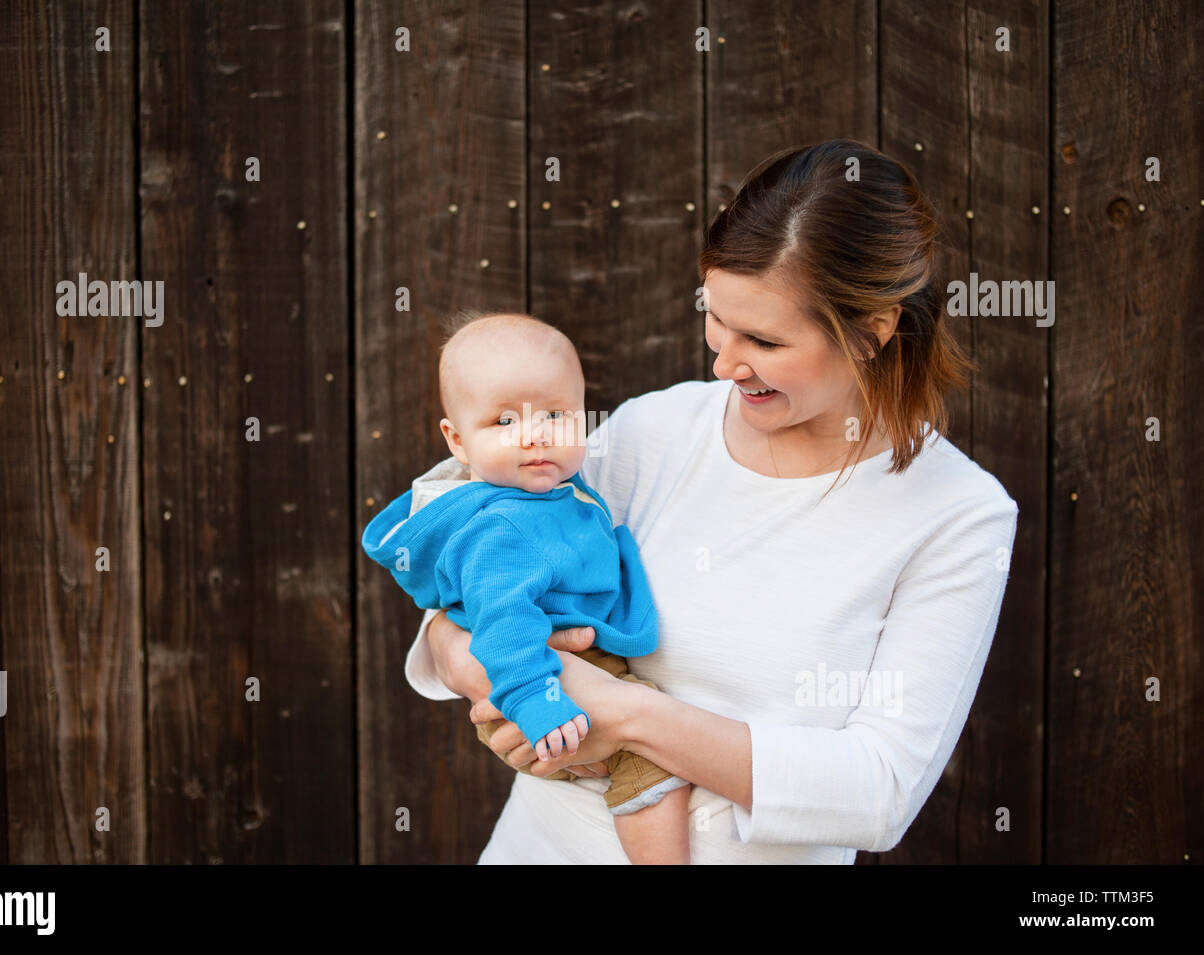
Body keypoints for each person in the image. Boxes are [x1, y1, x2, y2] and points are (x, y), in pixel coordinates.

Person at [405, 139, 1020, 863]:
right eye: (717, 321)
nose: (725, 363)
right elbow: (471, 549)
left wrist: (628, 716)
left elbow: (878, 790)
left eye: (762, 338)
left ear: (872, 331)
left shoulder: (957, 514)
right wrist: (470, 661)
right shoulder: (652, 430)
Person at [363, 311, 691, 864]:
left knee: (617, 756)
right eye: (505, 421)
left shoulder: (545, 488)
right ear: (457, 440)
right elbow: (503, 622)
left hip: (539, 680)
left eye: (556, 414)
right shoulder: (502, 527)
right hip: (530, 681)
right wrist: (535, 702)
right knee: (654, 759)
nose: (536, 434)